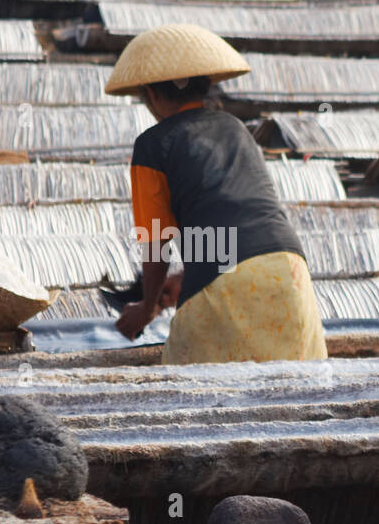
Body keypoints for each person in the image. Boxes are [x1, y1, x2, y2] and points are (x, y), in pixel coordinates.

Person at [105, 23, 327, 364]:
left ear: (151, 94)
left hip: (228, 284)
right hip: (290, 272)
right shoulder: (236, 128)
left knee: (190, 397)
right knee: (294, 394)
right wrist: (191, 272)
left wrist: (147, 307)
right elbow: (240, 217)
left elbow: (156, 242)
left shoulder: (152, 145)